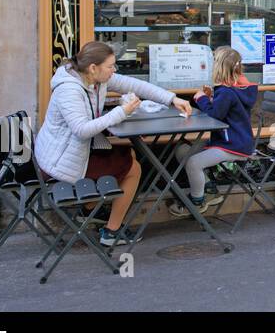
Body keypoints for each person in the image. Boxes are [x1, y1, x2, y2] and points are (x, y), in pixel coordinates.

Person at [34, 41, 194, 246]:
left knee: (129, 155)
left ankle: (89, 208)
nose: (114, 70)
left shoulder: (95, 79)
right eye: (110, 66)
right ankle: (111, 232)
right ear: (93, 67)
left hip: (73, 152)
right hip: (60, 162)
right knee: (133, 168)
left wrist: (172, 99)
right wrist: (122, 112)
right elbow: (81, 130)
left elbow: (135, 85)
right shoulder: (69, 90)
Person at [168, 47, 259, 217]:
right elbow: (225, 110)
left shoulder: (226, 92)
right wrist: (211, 98)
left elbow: (215, 115)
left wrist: (201, 98)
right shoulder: (239, 87)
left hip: (233, 145)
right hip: (234, 140)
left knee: (193, 163)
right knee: (182, 151)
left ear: (218, 67)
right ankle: (209, 189)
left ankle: (196, 202)